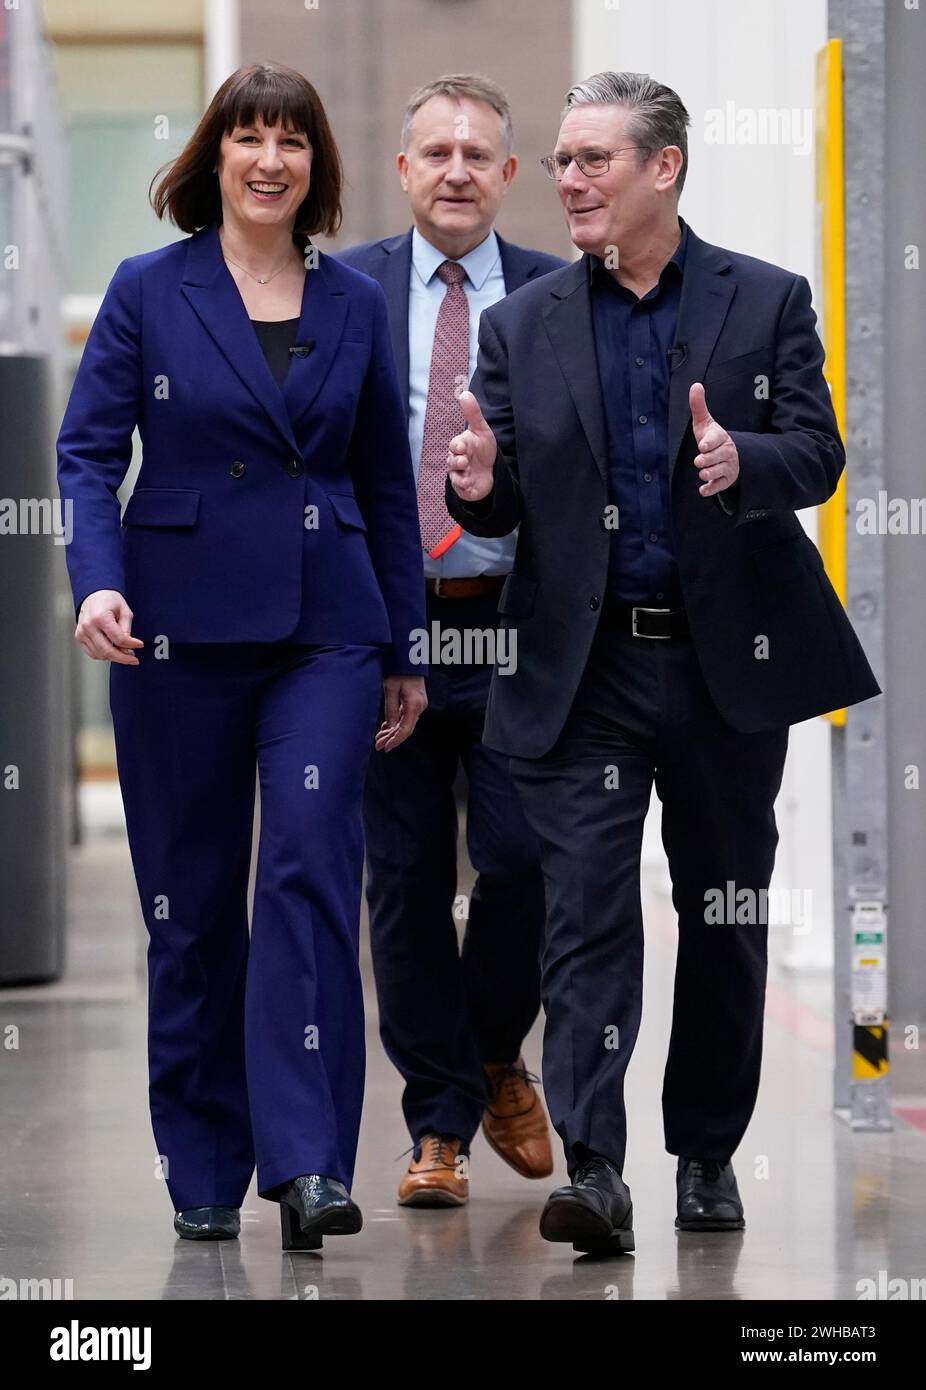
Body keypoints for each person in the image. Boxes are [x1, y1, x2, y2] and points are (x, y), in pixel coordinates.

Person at [446, 70, 881, 1254]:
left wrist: (743, 460)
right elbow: (499, 486)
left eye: (592, 160)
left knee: (723, 909)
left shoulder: (764, 300)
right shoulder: (520, 323)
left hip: (723, 668)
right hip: (580, 675)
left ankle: (702, 1152)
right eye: (561, 163)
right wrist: (473, 486)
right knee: (585, 916)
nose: (568, 181)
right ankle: (595, 1167)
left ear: (662, 168)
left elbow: (816, 453)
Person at [56, 62, 427, 1250]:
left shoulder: (354, 302)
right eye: (249, 137)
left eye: (293, 141)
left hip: (326, 626)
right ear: (213, 155)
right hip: (174, 630)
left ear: (316, 167)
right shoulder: (145, 291)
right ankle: (205, 1162)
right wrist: (98, 579)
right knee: (192, 903)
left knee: (309, 865)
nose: (270, 159)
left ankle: (309, 1161)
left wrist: (402, 646)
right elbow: (86, 453)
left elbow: (380, 478)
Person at [336, 75, 565, 1206]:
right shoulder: (347, 292)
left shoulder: (554, 295)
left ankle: (488, 1050)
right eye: (436, 152)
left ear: (508, 176)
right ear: (403, 170)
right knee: (405, 878)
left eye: (479, 154)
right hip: (391, 629)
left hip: (517, 628)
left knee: (523, 863)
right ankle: (436, 1123)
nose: (458, 170)